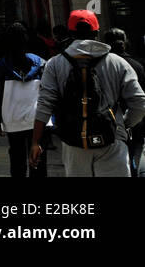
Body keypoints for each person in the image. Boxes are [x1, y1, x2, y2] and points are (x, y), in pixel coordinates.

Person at [32, 10, 145, 177]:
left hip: (74, 140)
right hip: (112, 138)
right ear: (97, 33)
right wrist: (123, 124)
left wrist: (36, 142)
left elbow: (44, 105)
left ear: (70, 34)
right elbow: (140, 102)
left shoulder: (55, 64)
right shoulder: (117, 62)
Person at [0, 22, 46, 178]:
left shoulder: (2, 65)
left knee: (17, 159)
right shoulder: (39, 62)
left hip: (13, 118)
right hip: (37, 119)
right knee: (39, 157)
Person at [105, 28, 145, 177]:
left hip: (112, 122)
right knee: (135, 155)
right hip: (136, 121)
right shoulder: (137, 65)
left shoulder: (104, 66)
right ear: (125, 42)